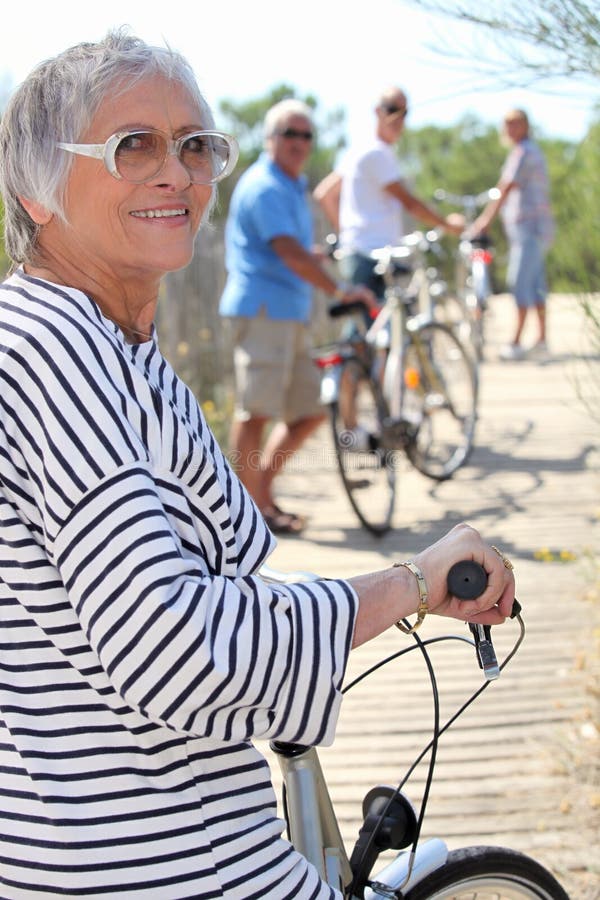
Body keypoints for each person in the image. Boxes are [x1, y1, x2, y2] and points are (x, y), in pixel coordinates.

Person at [0, 29, 516, 898]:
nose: (179, 174)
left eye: (197, 146)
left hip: (171, 822)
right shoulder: (53, 354)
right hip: (148, 858)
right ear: (35, 191)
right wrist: (409, 587)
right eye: (135, 146)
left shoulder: (117, 346)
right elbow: (175, 648)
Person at [219, 99, 375, 535]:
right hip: (263, 311)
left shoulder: (291, 185)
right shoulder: (266, 186)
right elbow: (287, 252)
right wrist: (341, 288)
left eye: (306, 135)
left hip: (288, 314)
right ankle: (245, 516)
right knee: (255, 414)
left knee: (308, 411)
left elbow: (289, 248)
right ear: (270, 139)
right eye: (290, 133)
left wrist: (318, 257)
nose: (299, 142)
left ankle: (260, 496)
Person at [313, 86, 465, 300]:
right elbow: (410, 204)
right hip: (372, 256)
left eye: (404, 113)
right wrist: (448, 225)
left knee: (370, 326)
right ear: (378, 111)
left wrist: (348, 235)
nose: (398, 118)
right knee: (378, 326)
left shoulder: (360, 150)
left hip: (362, 252)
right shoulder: (377, 153)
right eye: (392, 109)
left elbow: (324, 194)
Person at [467, 108, 554, 361]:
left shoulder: (524, 153)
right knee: (536, 284)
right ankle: (542, 339)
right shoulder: (531, 150)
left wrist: (484, 221)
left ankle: (516, 342)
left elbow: (503, 188)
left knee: (521, 283)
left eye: (515, 124)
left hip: (530, 229)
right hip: (535, 229)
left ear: (525, 126)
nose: (511, 129)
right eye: (507, 124)